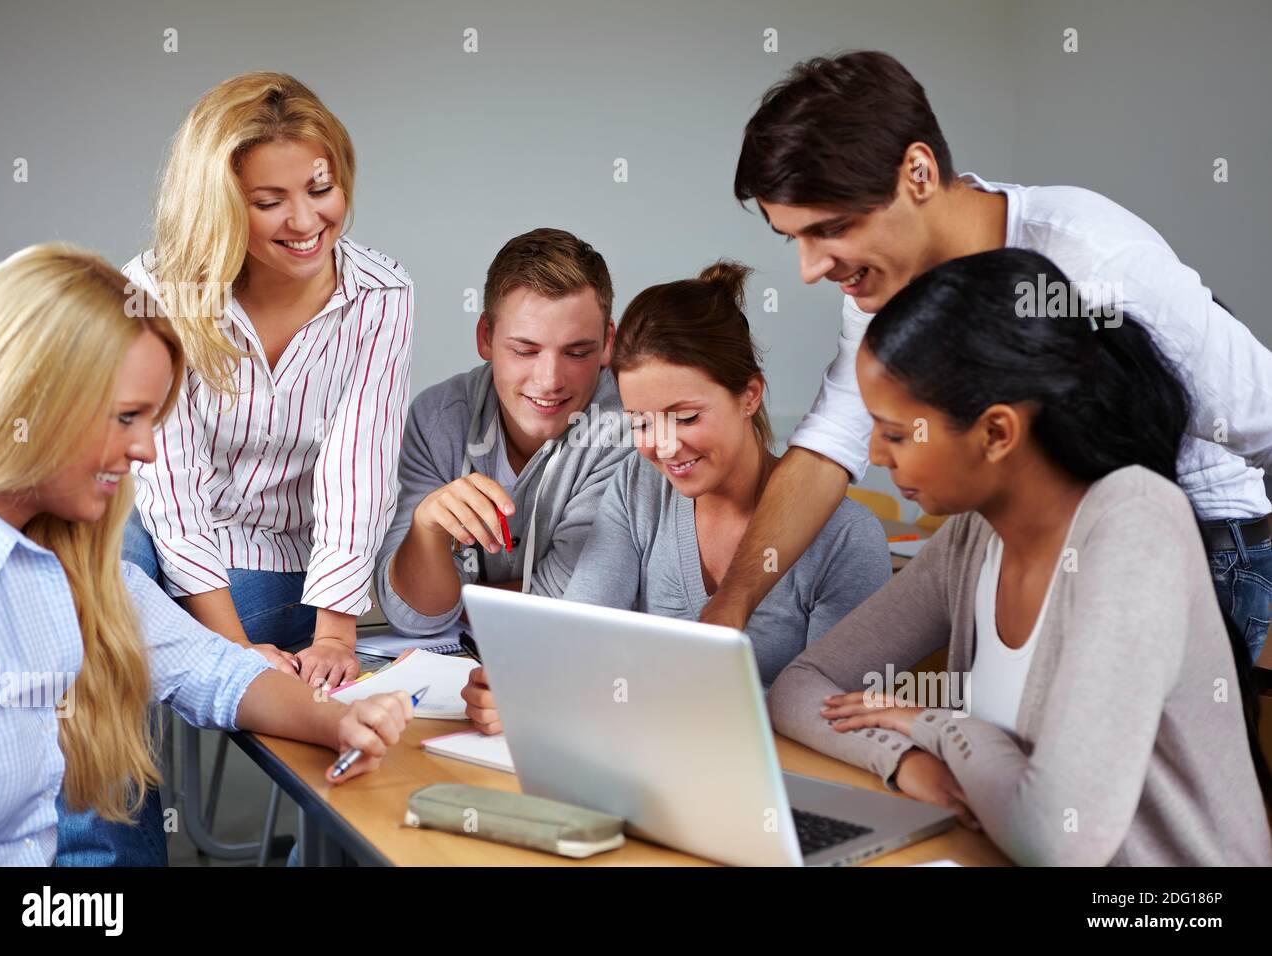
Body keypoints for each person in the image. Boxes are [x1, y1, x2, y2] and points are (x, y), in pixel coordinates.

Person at [706, 50, 1272, 665]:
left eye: (831, 229)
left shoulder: (1093, 261)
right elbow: (830, 442)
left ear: (917, 173)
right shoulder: (882, 284)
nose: (811, 269)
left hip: (1200, 543)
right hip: (1037, 545)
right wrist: (731, 607)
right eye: (794, 238)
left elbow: (1263, 416)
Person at [767, 249, 1272, 866]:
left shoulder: (1134, 524)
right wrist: (906, 761)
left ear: (997, 433)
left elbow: (1061, 839)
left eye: (897, 433)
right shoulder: (972, 537)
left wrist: (933, 725)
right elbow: (799, 688)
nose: (876, 451)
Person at [0, 244, 411, 866]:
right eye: (126, 417)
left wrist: (341, 720)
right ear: (32, 398)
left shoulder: (90, 583)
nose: (146, 452)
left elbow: (220, 675)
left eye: (152, 420)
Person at [462, 262, 890, 733]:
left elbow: (836, 713)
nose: (663, 447)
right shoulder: (636, 486)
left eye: (685, 417)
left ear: (749, 395)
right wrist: (530, 687)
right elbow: (579, 637)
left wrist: (623, 693)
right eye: (641, 422)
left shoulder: (847, 538)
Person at [123, 72, 414, 690]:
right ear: (220, 204)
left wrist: (336, 635)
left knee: (119, 633)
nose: (306, 220)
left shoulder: (382, 295)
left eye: (321, 188)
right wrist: (230, 650)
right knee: (97, 588)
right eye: (269, 201)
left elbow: (358, 469)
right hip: (157, 537)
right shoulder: (155, 292)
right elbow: (168, 489)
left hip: (286, 566)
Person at [374, 228, 631, 637]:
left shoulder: (631, 426)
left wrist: (460, 596)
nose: (549, 380)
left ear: (607, 345)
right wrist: (426, 531)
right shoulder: (437, 417)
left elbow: (572, 610)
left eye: (577, 352)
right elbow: (414, 616)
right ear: (485, 337)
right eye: (525, 350)